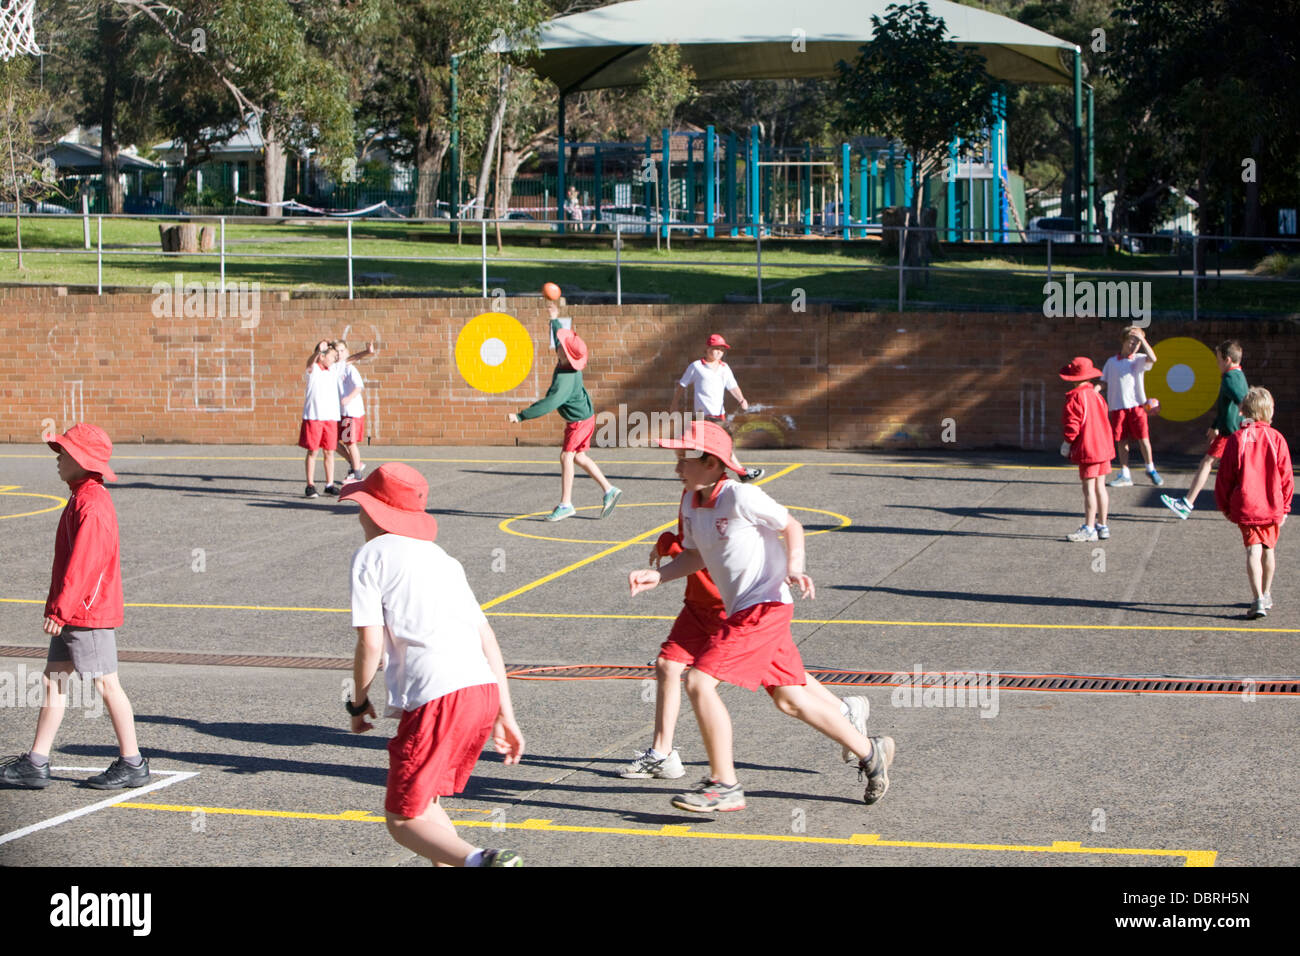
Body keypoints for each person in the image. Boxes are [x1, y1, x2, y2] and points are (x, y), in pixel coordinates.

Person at [628, 420, 894, 812]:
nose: (677, 467)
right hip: (744, 610)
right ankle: (871, 754)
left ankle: (725, 784)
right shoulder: (690, 502)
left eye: (685, 458)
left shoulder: (741, 497)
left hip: (764, 608)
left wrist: (795, 566)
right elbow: (697, 555)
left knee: (700, 682)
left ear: (713, 464)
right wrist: (660, 575)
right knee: (791, 700)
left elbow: (791, 525)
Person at [342, 462, 526, 866]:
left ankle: (485, 861)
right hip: (481, 689)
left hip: (437, 697)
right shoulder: (442, 559)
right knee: (425, 804)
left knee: (402, 819)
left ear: (372, 510)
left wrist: (358, 702)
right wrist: (505, 714)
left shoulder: (370, 555)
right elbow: (487, 639)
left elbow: (370, 642)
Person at [619, 510, 869, 779]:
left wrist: (786, 569)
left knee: (782, 684)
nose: (681, 470)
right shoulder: (692, 497)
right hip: (701, 605)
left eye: (687, 465)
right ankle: (662, 754)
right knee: (668, 664)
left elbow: (711, 549)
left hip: (737, 610)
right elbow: (689, 545)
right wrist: (666, 545)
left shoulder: (733, 502)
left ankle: (848, 718)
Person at [1, 425, 149, 791]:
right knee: (54, 679)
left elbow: (85, 565)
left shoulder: (92, 504)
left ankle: (132, 762)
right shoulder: (81, 496)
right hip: (76, 611)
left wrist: (61, 609)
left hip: (87, 613)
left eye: (63, 453)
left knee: (106, 683)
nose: (57, 457)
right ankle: (37, 761)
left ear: (82, 461)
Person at [507, 304, 621, 521]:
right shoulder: (566, 360)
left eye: (561, 347)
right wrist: (554, 319)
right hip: (585, 417)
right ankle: (609, 489)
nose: (557, 346)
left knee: (566, 456)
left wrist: (521, 416)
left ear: (567, 355)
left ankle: (566, 504)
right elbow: (560, 339)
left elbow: (550, 403)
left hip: (579, 421)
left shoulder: (565, 380)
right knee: (579, 456)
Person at [1214, 387, 1292, 619]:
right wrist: (1286, 505)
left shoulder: (1238, 438)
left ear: (1244, 410)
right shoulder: (1276, 438)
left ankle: (1257, 597)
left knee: (1252, 550)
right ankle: (1266, 593)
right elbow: (1286, 476)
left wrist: (1224, 505)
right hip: (1271, 504)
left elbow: (1225, 476)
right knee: (1269, 550)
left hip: (1247, 503)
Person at [1162, 341, 1249, 519]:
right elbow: (1227, 406)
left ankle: (1187, 503)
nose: (1217, 364)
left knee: (1208, 463)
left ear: (1227, 359)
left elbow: (1242, 402)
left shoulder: (1229, 378)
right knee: (1237, 469)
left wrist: (1246, 424)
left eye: (1218, 360)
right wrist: (1216, 425)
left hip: (1231, 432)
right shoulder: (1238, 375)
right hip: (1231, 430)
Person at [672, 333, 764, 482]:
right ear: (707, 349)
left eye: (722, 349)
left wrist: (741, 399)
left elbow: (733, 387)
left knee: (712, 447)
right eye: (716, 349)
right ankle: (740, 472)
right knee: (716, 446)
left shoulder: (724, 368)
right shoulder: (696, 366)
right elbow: (682, 385)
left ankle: (729, 473)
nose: (719, 352)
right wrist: (674, 404)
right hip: (703, 417)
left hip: (719, 416)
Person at [1059, 356, 1115, 542]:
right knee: (1101, 487)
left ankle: (1089, 528)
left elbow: (1072, 427)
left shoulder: (1075, 397)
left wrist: (1067, 444)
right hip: (1104, 447)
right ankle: (1103, 525)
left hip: (1088, 449)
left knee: (1088, 489)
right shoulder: (1097, 396)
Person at [1100, 327, 1163, 487]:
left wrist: (1143, 340)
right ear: (1123, 340)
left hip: (1137, 406)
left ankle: (1151, 468)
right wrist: (1095, 390)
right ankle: (1125, 473)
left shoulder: (1140, 359)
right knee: (1121, 440)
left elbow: (1153, 358)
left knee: (1143, 438)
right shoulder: (1111, 362)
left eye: (1138, 343)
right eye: (1132, 341)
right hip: (1117, 407)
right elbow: (1103, 381)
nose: (1135, 345)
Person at [301, 340, 342, 498]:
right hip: (314, 416)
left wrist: (367, 353)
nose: (334, 359)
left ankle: (329, 484)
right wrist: (319, 350)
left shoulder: (333, 370)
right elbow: (310, 362)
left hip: (330, 417)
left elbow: (349, 359)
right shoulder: (313, 370)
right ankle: (310, 485)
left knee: (330, 452)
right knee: (313, 451)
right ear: (322, 356)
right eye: (331, 356)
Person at [333, 339, 377, 483]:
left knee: (350, 442)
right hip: (340, 412)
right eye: (336, 351)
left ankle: (357, 473)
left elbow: (359, 387)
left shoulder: (350, 369)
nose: (339, 354)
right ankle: (355, 463)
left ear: (346, 352)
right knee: (332, 442)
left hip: (351, 411)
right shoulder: (335, 367)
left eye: (342, 351)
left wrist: (348, 398)